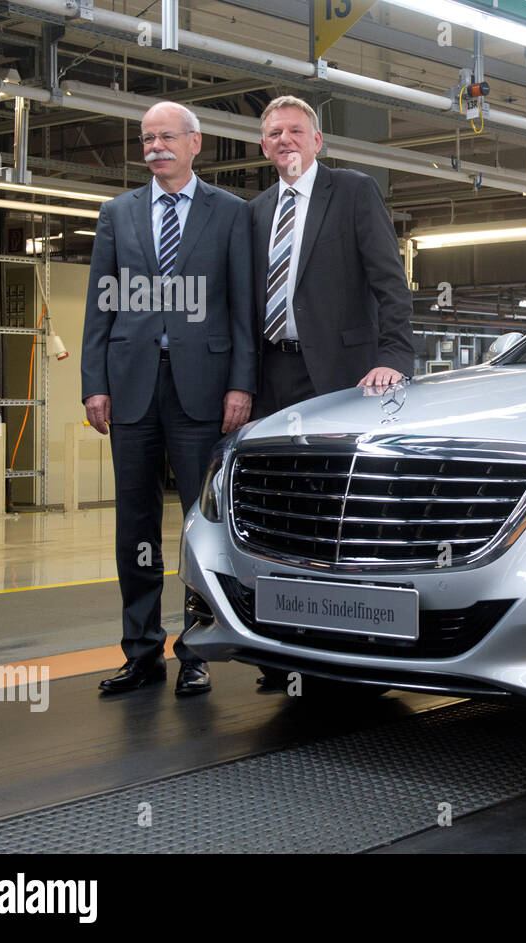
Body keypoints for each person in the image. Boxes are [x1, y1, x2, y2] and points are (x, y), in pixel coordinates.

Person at [82, 101, 255, 696]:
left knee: (198, 526)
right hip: (131, 385)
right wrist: (94, 383)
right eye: (146, 138)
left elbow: (241, 310)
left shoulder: (231, 213)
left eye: (166, 137)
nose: (155, 146)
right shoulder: (117, 213)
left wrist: (241, 382)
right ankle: (140, 650)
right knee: (135, 522)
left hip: (202, 388)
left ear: (195, 143)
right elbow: (99, 307)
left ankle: (196, 650)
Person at [247, 95, 414, 418]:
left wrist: (393, 357)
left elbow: (391, 283)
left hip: (341, 372)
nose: (285, 139)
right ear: (265, 147)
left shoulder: (354, 191)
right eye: (275, 134)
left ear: (317, 141)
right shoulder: (255, 211)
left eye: (296, 130)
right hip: (269, 375)